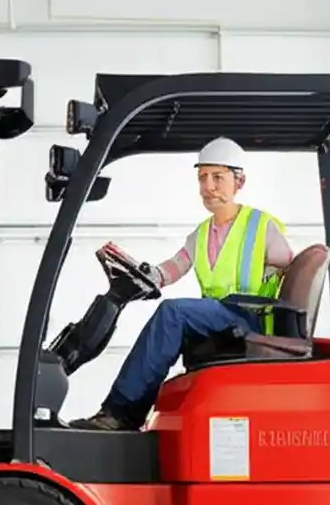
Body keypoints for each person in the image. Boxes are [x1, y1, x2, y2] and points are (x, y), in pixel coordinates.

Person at [69, 137, 295, 432]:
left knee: (173, 313)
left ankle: (121, 411)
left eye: (218, 177)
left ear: (239, 181)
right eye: (202, 178)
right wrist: (143, 272)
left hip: (248, 316)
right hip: (217, 317)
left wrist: (274, 277)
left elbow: (292, 267)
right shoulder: (201, 234)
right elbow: (173, 268)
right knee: (173, 317)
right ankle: (125, 411)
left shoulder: (261, 226)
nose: (209, 186)